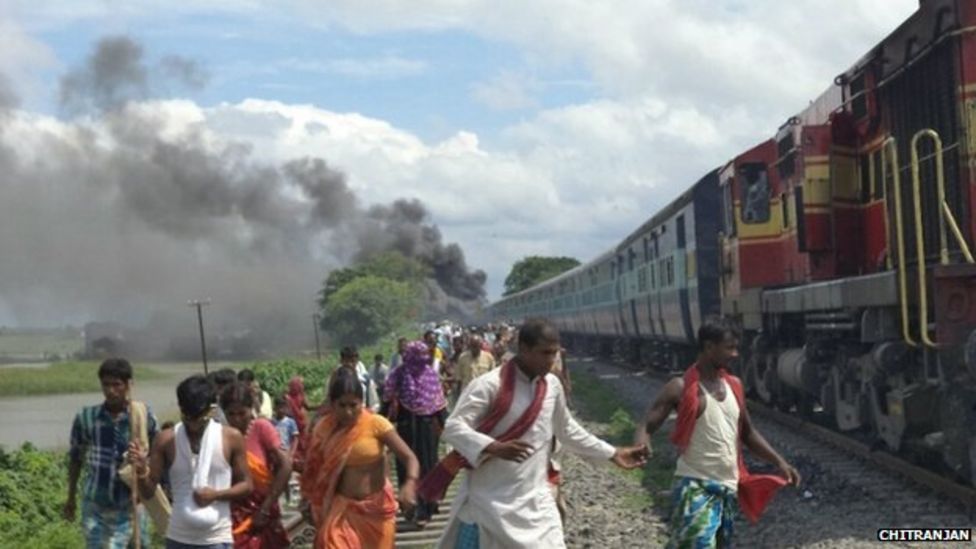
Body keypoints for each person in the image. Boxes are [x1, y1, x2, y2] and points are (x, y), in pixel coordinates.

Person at [425, 318, 648, 548]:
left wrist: (612, 453)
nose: (551, 360)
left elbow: (568, 430)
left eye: (555, 353)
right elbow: (454, 427)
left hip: (536, 503)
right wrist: (493, 447)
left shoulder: (551, 386)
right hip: (488, 505)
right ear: (523, 349)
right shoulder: (489, 385)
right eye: (545, 353)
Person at [635, 317, 801, 549]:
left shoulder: (734, 385)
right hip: (695, 485)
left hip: (728, 487)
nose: (734, 354)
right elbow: (647, 424)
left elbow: (747, 433)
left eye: (736, 347)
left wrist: (780, 462)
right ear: (709, 347)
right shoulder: (681, 387)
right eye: (729, 348)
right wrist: (641, 445)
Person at [301, 367, 421, 548]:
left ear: (362, 403)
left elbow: (410, 457)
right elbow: (315, 470)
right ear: (332, 404)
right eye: (342, 405)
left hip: (376, 510)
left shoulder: (376, 424)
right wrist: (308, 499)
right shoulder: (323, 430)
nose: (348, 412)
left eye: (353, 405)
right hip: (343, 511)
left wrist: (410, 484)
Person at [131, 374, 252, 549]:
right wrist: (142, 470)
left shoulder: (231, 438)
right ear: (181, 409)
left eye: (198, 417)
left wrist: (216, 495)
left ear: (211, 410)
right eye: (188, 417)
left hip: (216, 539)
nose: (193, 424)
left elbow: (247, 485)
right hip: (178, 539)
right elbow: (148, 492)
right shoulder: (165, 440)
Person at [65, 358, 158, 549]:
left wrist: (144, 465)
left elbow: (157, 454)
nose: (111, 391)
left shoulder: (142, 415)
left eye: (116, 385)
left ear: (129, 385)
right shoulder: (87, 418)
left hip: (132, 504)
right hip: (97, 505)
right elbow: (76, 459)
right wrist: (71, 497)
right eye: (106, 385)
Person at [384, 341, 449, 526]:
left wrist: (450, 431)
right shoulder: (398, 375)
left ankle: (425, 510)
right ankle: (410, 507)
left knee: (428, 468)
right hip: (405, 431)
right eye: (418, 355)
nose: (423, 359)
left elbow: (440, 408)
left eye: (424, 355)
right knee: (406, 469)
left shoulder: (431, 376)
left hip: (427, 432)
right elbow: (387, 402)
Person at [220, 382, 292, 548]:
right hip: (235, 515)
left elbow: (286, 465)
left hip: (263, 509)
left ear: (250, 408)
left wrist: (265, 508)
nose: (237, 419)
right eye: (231, 414)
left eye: (242, 413)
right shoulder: (221, 435)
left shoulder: (261, 428)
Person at [285, 376, 312, 472]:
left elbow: (308, 406)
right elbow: (288, 412)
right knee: (295, 443)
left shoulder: (301, 395)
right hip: (295, 423)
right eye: (300, 384)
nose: (302, 386)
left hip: (303, 424)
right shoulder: (288, 398)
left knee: (304, 444)